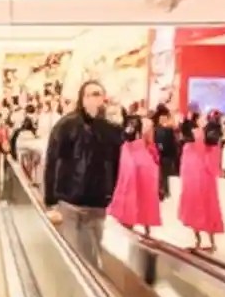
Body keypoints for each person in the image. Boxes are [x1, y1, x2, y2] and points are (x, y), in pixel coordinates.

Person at [43, 80, 122, 268]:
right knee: (74, 256)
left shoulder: (110, 129)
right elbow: (53, 160)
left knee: (92, 257)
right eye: (91, 94)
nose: (96, 99)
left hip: (97, 204)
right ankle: (73, 295)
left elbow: (115, 163)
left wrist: (111, 193)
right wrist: (50, 200)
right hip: (70, 202)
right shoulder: (67, 125)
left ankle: (86, 296)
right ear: (83, 98)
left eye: (99, 94)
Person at [108, 116, 161, 236]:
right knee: (146, 195)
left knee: (130, 190)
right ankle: (146, 229)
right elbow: (151, 144)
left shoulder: (129, 128)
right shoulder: (147, 125)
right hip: (144, 161)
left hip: (131, 161)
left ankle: (128, 221)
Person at [178, 121, 224, 251]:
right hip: (206, 186)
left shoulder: (191, 147)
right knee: (208, 210)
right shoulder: (211, 148)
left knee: (198, 210)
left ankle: (200, 240)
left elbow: (185, 167)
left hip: (195, 185)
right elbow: (214, 169)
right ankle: (210, 241)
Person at [153, 108, 179, 200]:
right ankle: (165, 191)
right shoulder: (164, 130)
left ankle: (163, 191)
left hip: (164, 155)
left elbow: (171, 144)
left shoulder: (162, 130)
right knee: (164, 174)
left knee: (163, 174)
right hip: (165, 155)